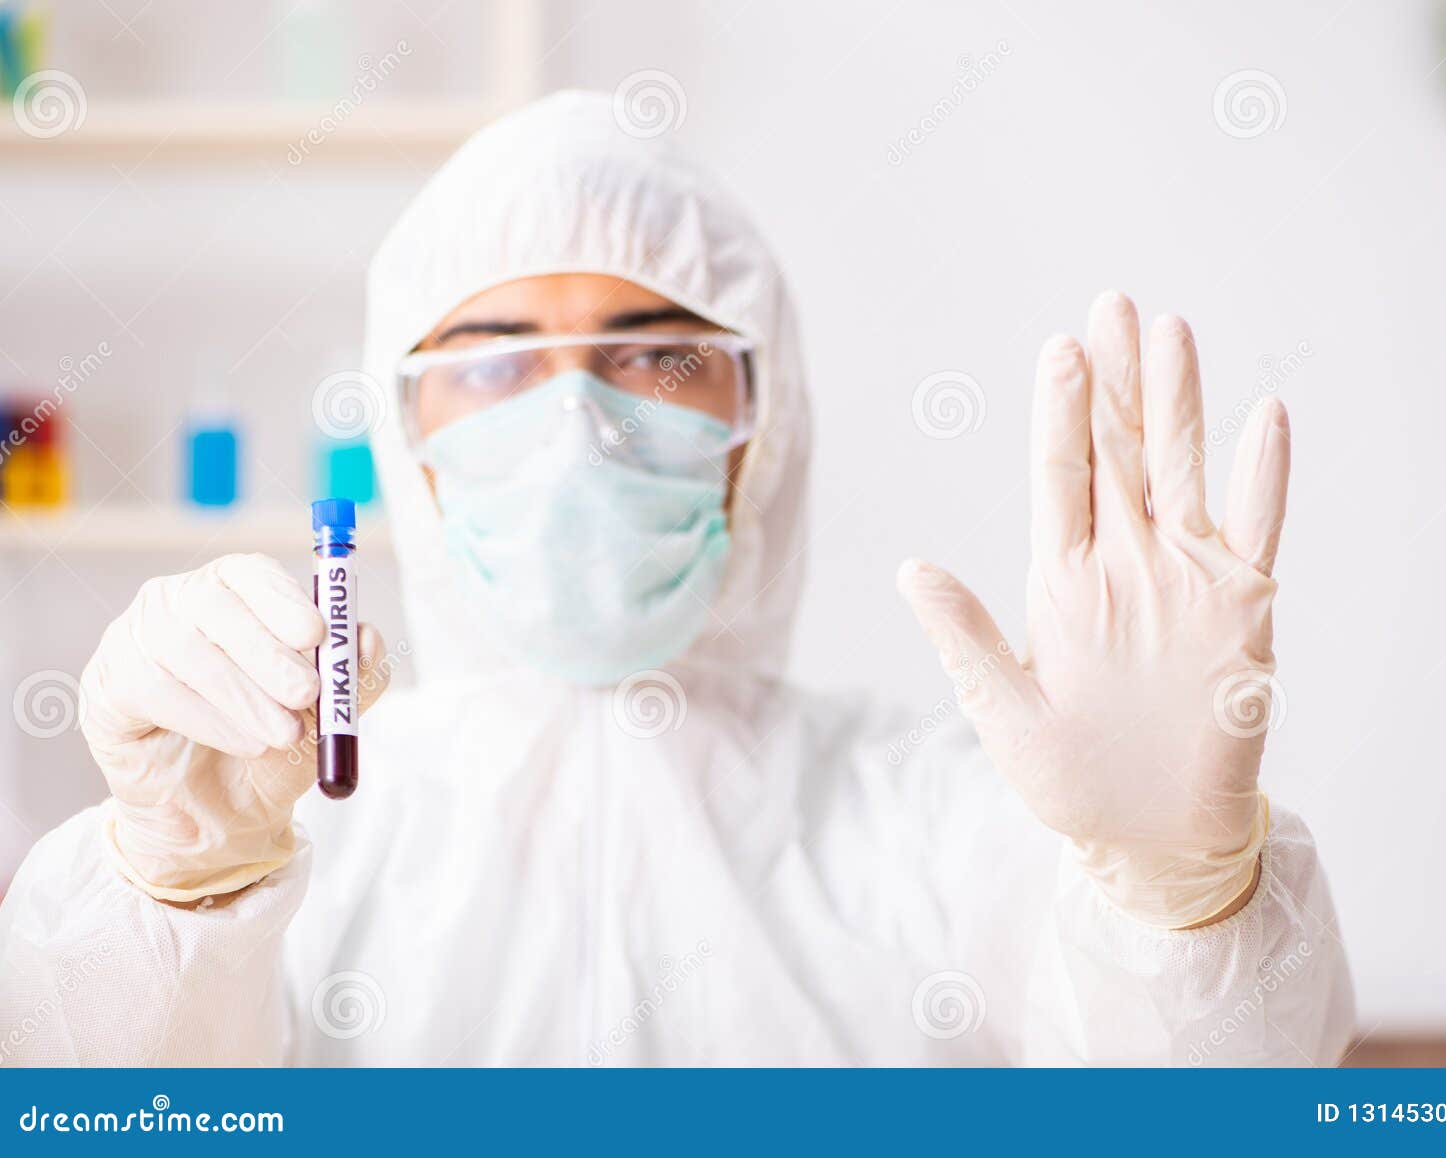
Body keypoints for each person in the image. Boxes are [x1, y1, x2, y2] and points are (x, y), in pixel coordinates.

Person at [0, 92, 1353, 1066]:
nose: (578, 420)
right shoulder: (301, 821)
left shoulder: (941, 816)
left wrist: (1182, 896)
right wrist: (174, 891)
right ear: (404, 439)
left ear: (765, 426)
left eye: (657, 356)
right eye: (494, 358)